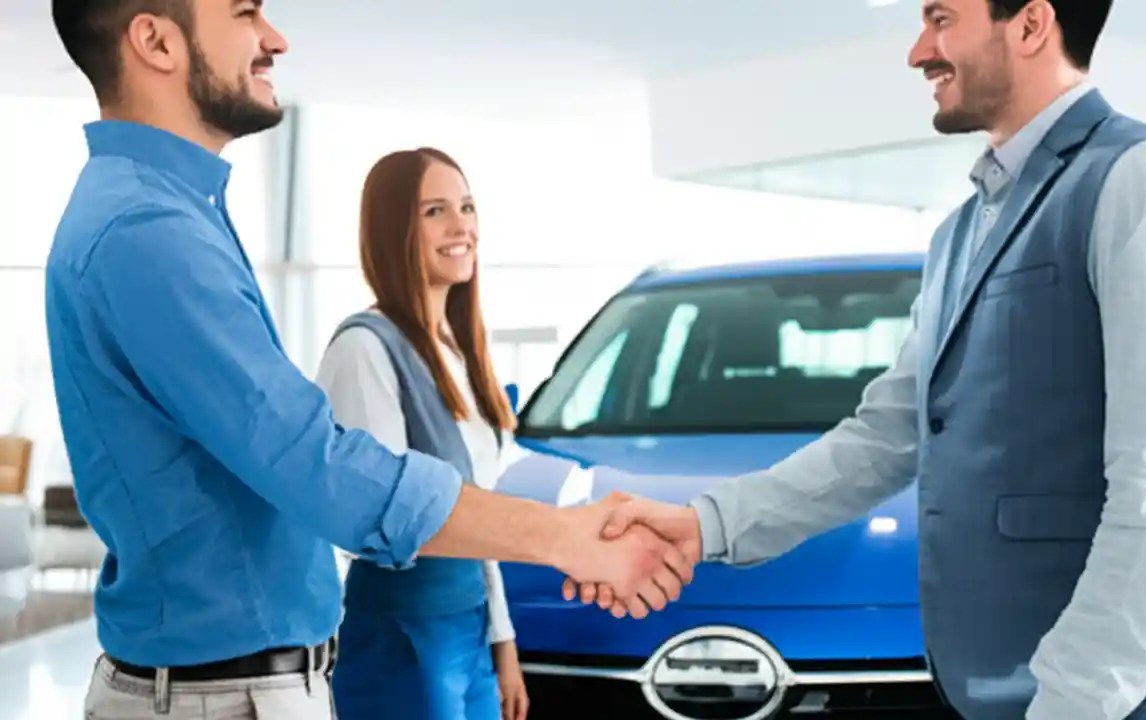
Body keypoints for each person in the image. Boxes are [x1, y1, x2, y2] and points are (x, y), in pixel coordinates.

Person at [569, 1, 1146, 718]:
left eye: (940, 18)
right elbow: (885, 437)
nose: (918, 51)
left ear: (1029, 25)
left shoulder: (1145, 178)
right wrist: (705, 523)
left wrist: (1073, 703)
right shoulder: (959, 232)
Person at [45, 2, 689, 718]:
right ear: (156, 40)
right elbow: (317, 465)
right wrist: (565, 537)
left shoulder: (171, 213)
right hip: (223, 696)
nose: (274, 39)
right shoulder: (148, 232)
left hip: (240, 685)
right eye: (245, 13)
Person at [313, 147, 528, 720]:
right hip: (403, 636)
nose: (462, 226)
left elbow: (479, 513)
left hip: (470, 627)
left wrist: (502, 642)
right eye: (435, 210)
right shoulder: (365, 348)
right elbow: (378, 521)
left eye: (467, 206)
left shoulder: (460, 353)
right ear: (394, 230)